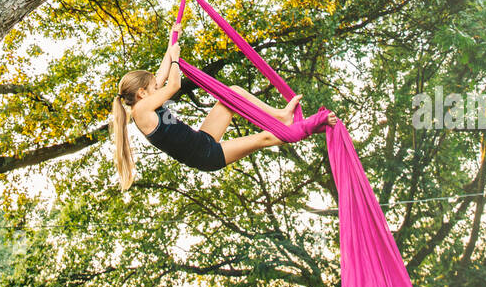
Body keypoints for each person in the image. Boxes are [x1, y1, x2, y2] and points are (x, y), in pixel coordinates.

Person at [110, 20, 337, 190]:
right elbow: (173, 84)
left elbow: (161, 73)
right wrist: (177, 59)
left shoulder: (144, 102)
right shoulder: (141, 111)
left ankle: (282, 115)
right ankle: (306, 128)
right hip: (206, 155)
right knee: (263, 138)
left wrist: (173, 39)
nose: (157, 87)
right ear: (142, 93)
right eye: (153, 88)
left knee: (234, 94)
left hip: (202, 138)